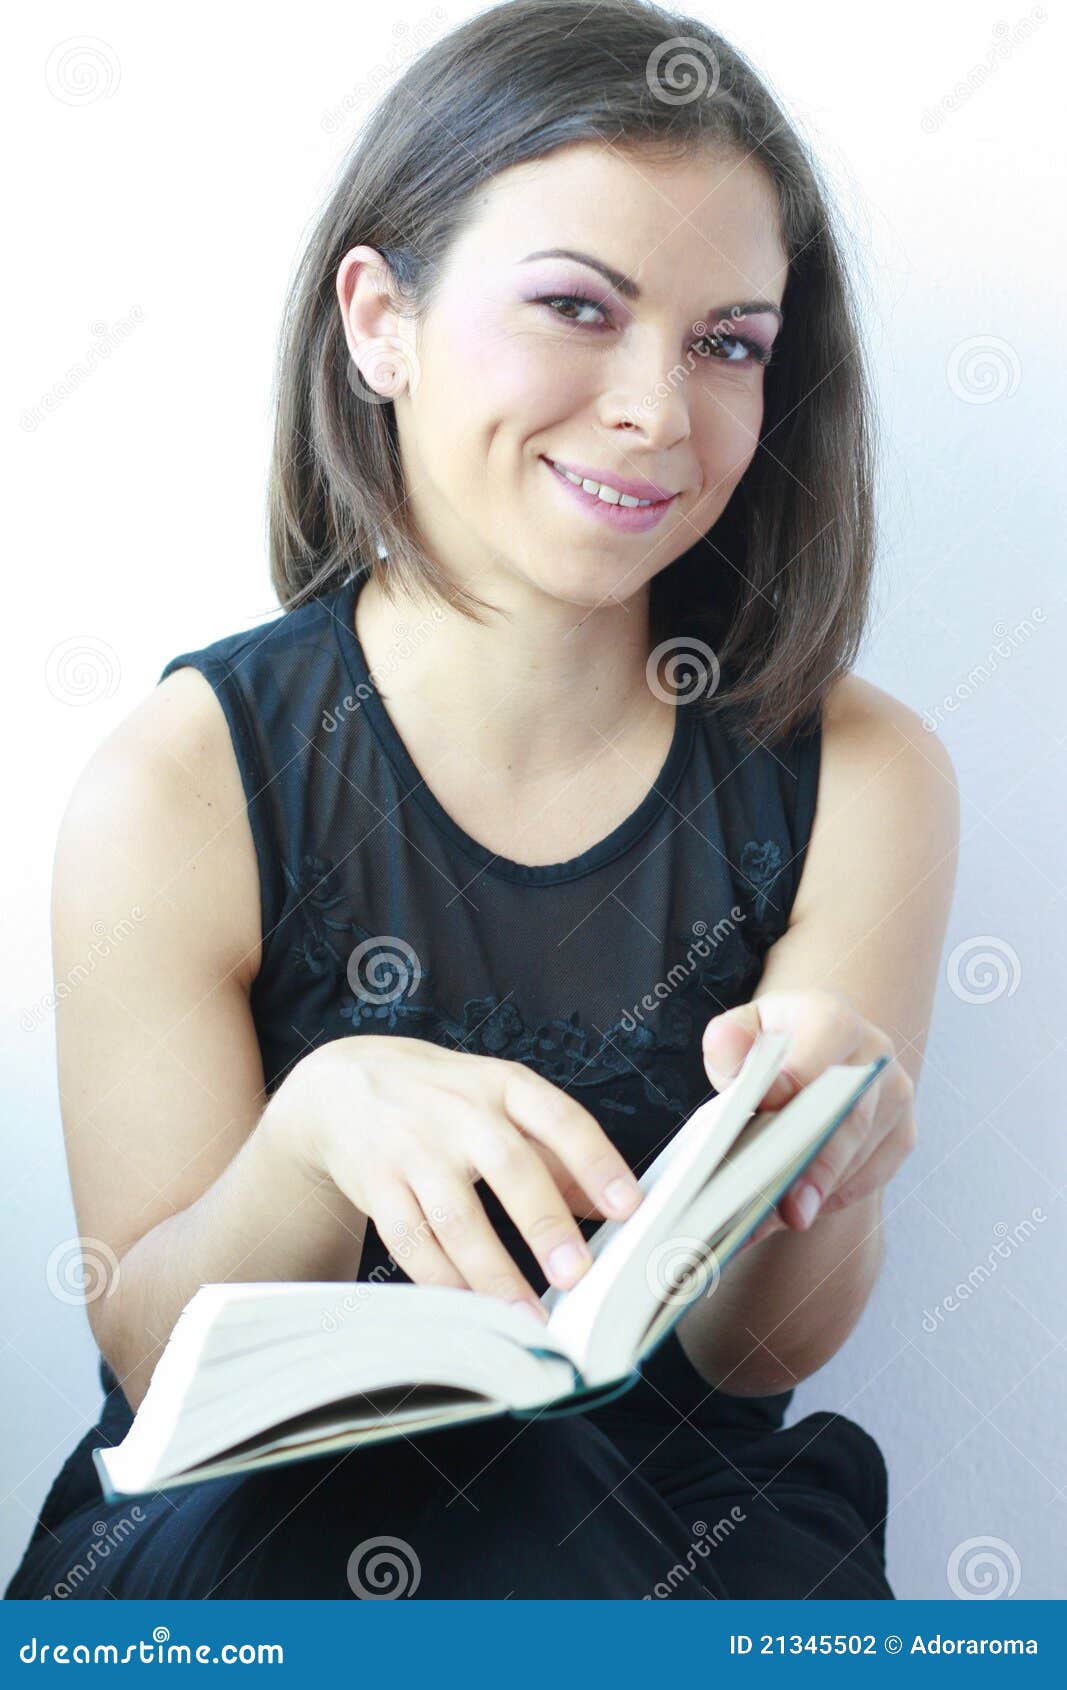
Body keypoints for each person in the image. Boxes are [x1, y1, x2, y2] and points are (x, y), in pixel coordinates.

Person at [6, 0, 958, 1600]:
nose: (660, 405)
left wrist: (824, 1175)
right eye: (580, 308)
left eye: (728, 341)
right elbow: (146, 1353)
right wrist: (313, 1141)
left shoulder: (859, 767)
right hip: (262, 1544)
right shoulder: (176, 779)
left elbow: (754, 1358)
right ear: (379, 320)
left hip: (673, 1538)